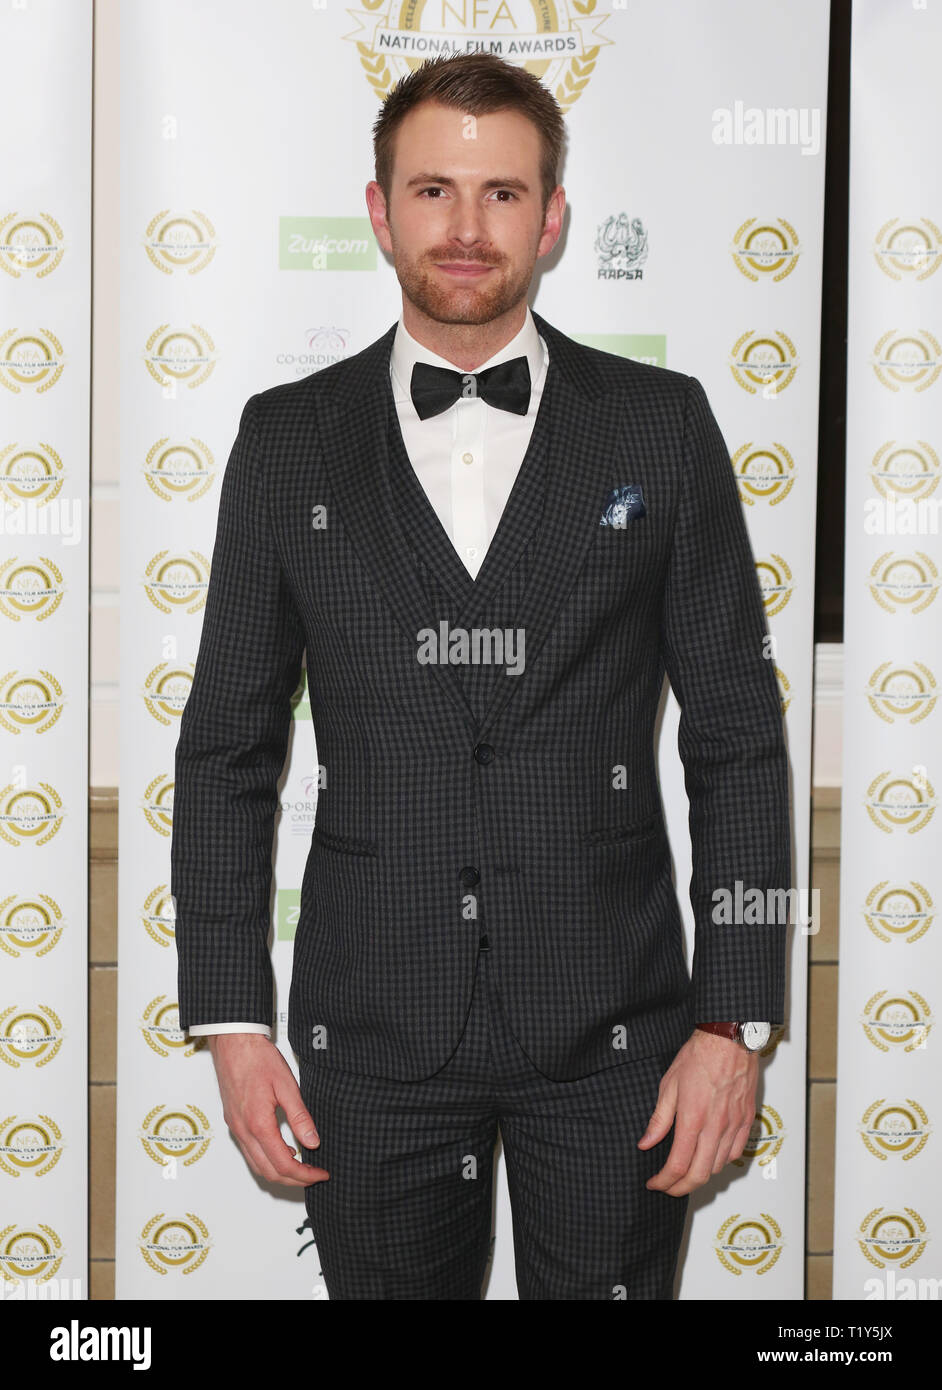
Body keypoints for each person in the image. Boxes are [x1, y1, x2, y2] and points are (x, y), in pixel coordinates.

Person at [171, 51, 791, 1300]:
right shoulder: (285, 442)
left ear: (554, 217)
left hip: (619, 1036)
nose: (465, 228)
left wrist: (735, 1023)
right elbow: (227, 750)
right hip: (371, 1030)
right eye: (434, 190)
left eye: (503, 194)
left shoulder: (661, 427)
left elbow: (737, 739)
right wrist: (234, 1024)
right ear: (379, 208)